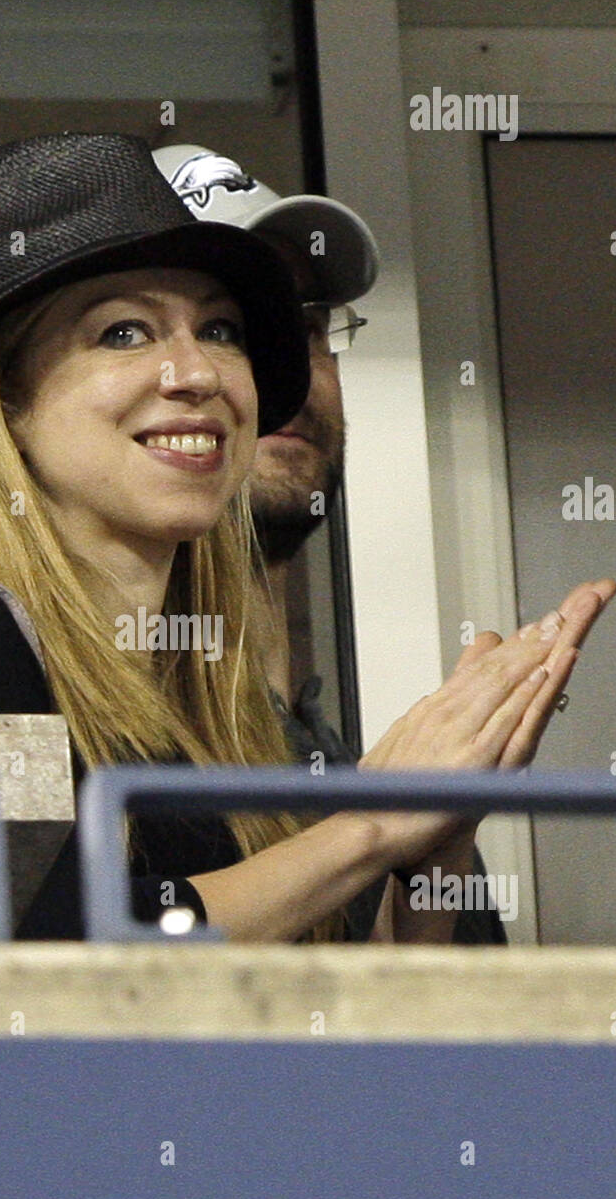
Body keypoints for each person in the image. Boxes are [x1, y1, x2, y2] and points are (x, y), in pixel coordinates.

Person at [0, 132, 616, 944]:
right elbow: (42, 951)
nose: (197, 372)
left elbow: (378, 1044)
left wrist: (436, 838)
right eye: (123, 332)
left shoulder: (221, 702)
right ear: (6, 402)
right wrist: (374, 823)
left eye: (222, 331)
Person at [152, 143, 505, 943]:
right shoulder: (90, 737)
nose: (290, 378)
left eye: (306, 333)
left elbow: (421, 1062)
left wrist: (436, 851)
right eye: (230, 331)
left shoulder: (366, 776)